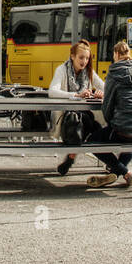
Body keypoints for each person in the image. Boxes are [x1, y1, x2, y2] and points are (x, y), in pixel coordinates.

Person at [85, 39, 132, 189]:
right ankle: (115, 172)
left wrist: (111, 123)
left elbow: (107, 109)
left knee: (92, 141)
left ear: (116, 54)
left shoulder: (114, 73)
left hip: (123, 130)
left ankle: (124, 172)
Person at [49, 40, 104, 175]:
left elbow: (106, 87)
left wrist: (100, 94)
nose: (84, 61)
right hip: (67, 117)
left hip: (84, 115)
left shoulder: (89, 71)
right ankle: (115, 166)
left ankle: (71, 156)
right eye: (81, 57)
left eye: (87, 58)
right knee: (92, 128)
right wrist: (76, 95)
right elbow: (52, 91)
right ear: (72, 56)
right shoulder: (62, 69)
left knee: (95, 129)